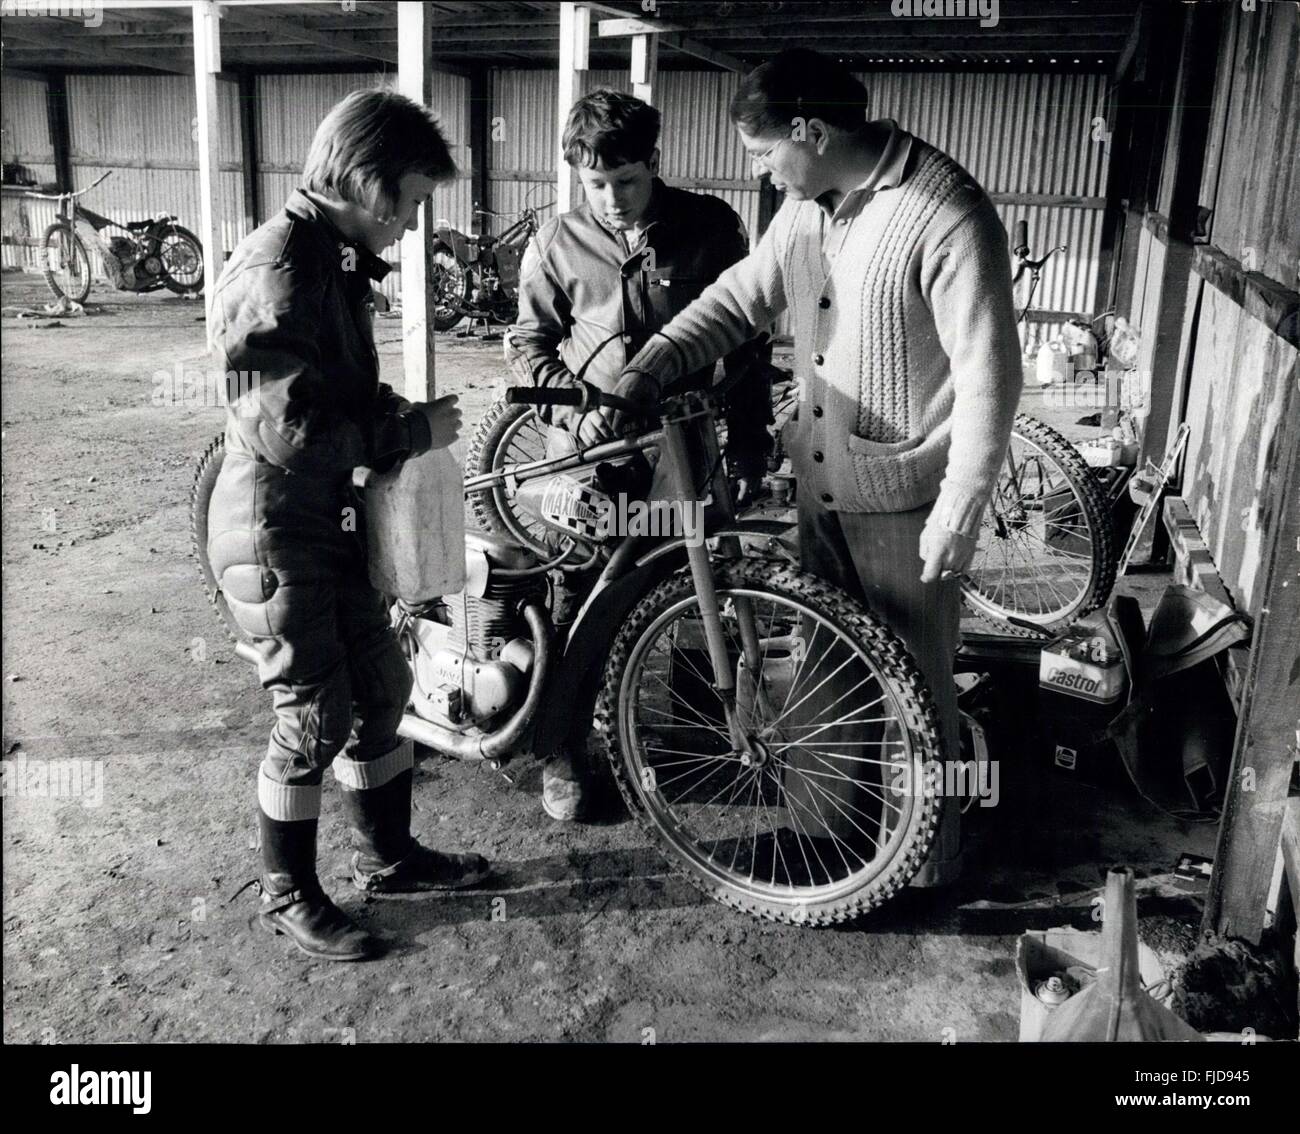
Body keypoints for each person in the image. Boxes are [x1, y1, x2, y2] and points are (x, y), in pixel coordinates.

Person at [608, 49, 1023, 884]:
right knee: (829, 670)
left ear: (811, 129)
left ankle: (926, 867)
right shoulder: (808, 209)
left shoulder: (945, 212)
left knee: (914, 686)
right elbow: (739, 296)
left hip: (906, 505)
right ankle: (828, 838)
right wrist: (652, 361)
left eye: (764, 152)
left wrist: (959, 509)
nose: (759, 169)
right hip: (821, 487)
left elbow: (989, 379)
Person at [209, 89, 490, 962]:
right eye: (406, 202)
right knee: (312, 715)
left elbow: (333, 392)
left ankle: (389, 856)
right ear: (366, 183)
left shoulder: (326, 261)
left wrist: (398, 411)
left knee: (381, 689)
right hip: (272, 530)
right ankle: (287, 891)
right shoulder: (282, 268)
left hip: (327, 523)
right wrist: (405, 434)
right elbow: (283, 428)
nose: (409, 226)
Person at [506, 88, 776, 822]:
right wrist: (582, 407)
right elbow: (528, 348)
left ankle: (700, 731)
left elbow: (747, 346)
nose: (614, 199)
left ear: (654, 163)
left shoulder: (712, 229)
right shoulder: (557, 244)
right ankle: (561, 750)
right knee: (582, 600)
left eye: (627, 180)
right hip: (594, 459)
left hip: (687, 449)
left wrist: (750, 442)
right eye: (596, 185)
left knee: (701, 583)